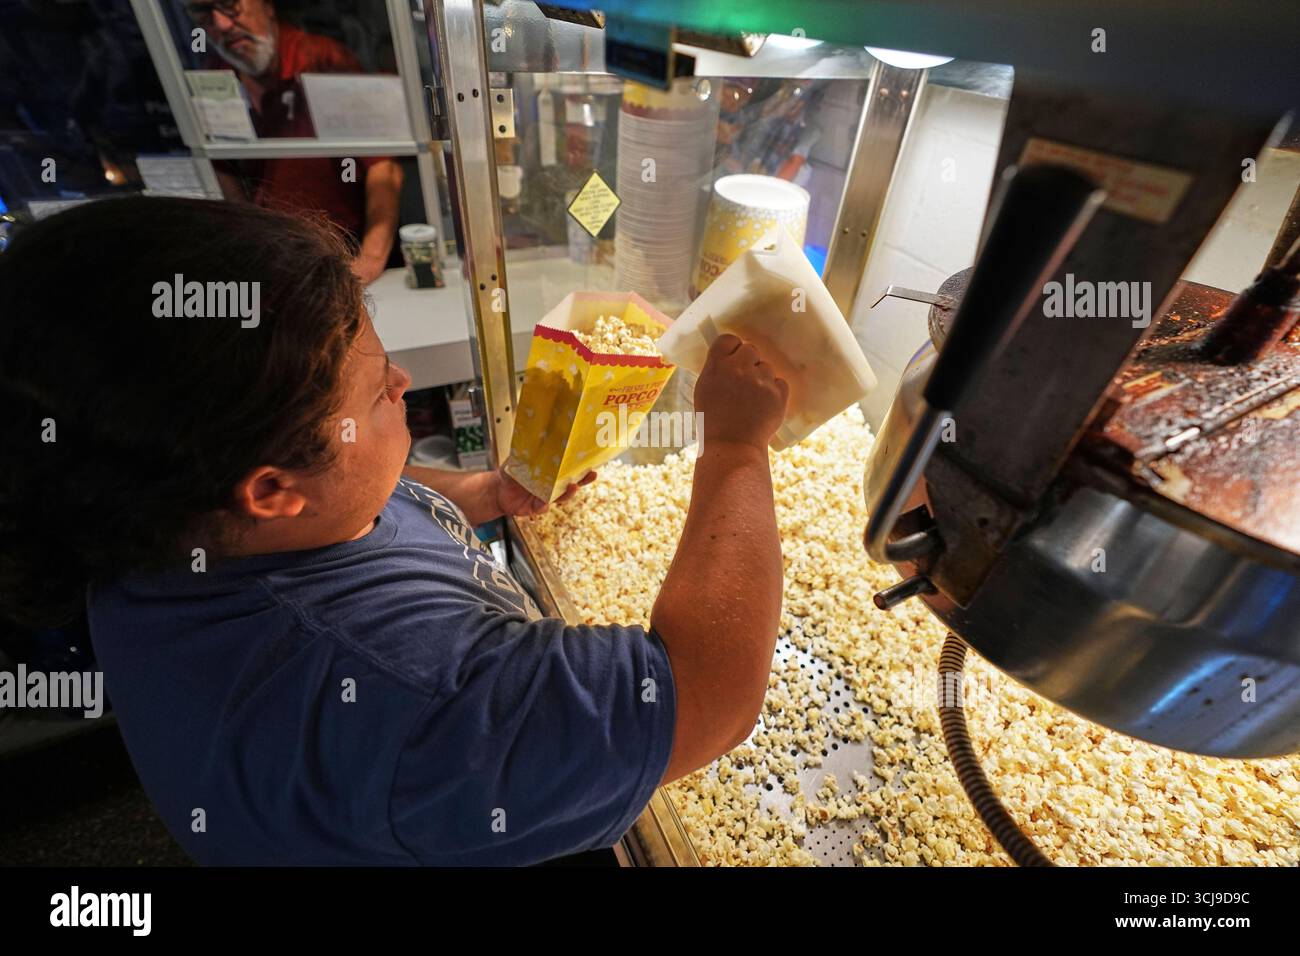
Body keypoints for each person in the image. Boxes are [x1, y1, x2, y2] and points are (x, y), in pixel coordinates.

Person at [0, 197, 788, 865]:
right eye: (379, 394)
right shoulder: (404, 692)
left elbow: (364, 493)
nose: (405, 383)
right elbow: (707, 697)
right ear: (270, 488)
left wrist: (483, 492)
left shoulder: (149, 524)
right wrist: (736, 449)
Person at [184, 0, 403, 284]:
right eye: (203, 12)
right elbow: (220, 165)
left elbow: (383, 166)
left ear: (267, 5)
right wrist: (247, 246)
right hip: (273, 255)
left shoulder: (322, 59)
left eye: (230, 5)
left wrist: (369, 261)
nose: (222, 24)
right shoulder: (215, 74)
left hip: (341, 248)